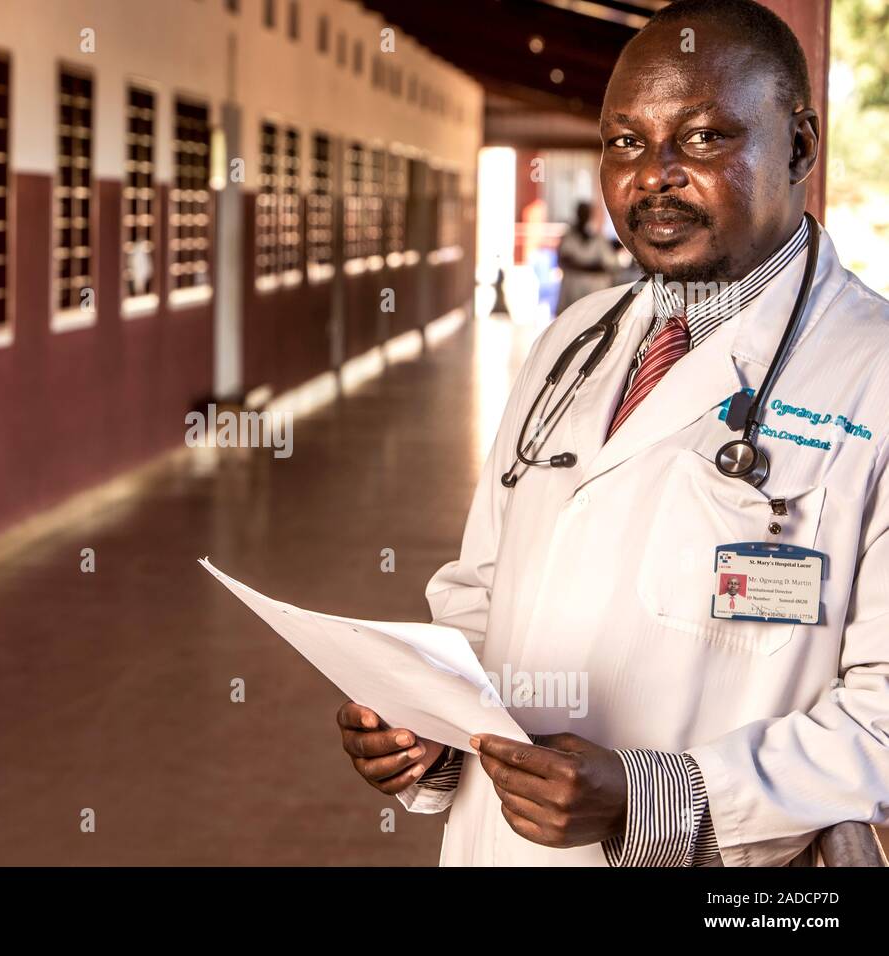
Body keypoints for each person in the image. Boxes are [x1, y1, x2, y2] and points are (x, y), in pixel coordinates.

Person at [337, 0, 889, 866]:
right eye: (625, 141)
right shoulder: (570, 342)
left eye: (704, 137)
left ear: (800, 146)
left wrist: (650, 800)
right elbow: (481, 589)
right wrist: (432, 729)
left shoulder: (875, 375)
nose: (653, 175)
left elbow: (882, 722)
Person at [556, 201, 620, 313]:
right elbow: (564, 261)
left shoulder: (599, 240)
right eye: (582, 213)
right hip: (572, 293)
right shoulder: (569, 238)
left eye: (586, 213)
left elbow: (609, 266)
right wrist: (592, 268)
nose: (583, 216)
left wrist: (579, 266)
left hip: (594, 295)